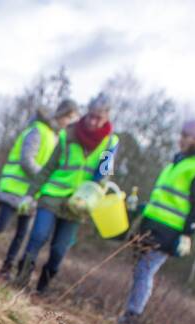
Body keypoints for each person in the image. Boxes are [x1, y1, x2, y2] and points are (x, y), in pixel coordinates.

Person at [119, 118, 195, 324]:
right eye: (182, 135)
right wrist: (141, 208)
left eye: (186, 136)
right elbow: (163, 198)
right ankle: (130, 313)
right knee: (140, 270)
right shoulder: (177, 162)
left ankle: (132, 316)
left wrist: (187, 234)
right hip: (152, 224)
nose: (181, 139)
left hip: (170, 231)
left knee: (145, 270)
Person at [0, 99, 80, 280]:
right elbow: (27, 159)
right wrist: (46, 179)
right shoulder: (38, 130)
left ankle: (6, 269)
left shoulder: (58, 138)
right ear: (62, 115)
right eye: (70, 118)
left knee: (22, 234)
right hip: (14, 188)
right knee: (1, 225)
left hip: (31, 193)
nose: (71, 122)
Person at [14, 94, 119, 293]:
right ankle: (20, 281)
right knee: (38, 236)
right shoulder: (67, 135)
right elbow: (47, 168)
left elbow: (104, 175)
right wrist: (30, 194)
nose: (93, 122)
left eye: (99, 118)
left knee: (59, 250)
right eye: (91, 116)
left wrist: (92, 194)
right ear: (86, 113)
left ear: (106, 118)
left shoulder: (110, 143)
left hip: (79, 203)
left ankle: (42, 288)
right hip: (53, 194)